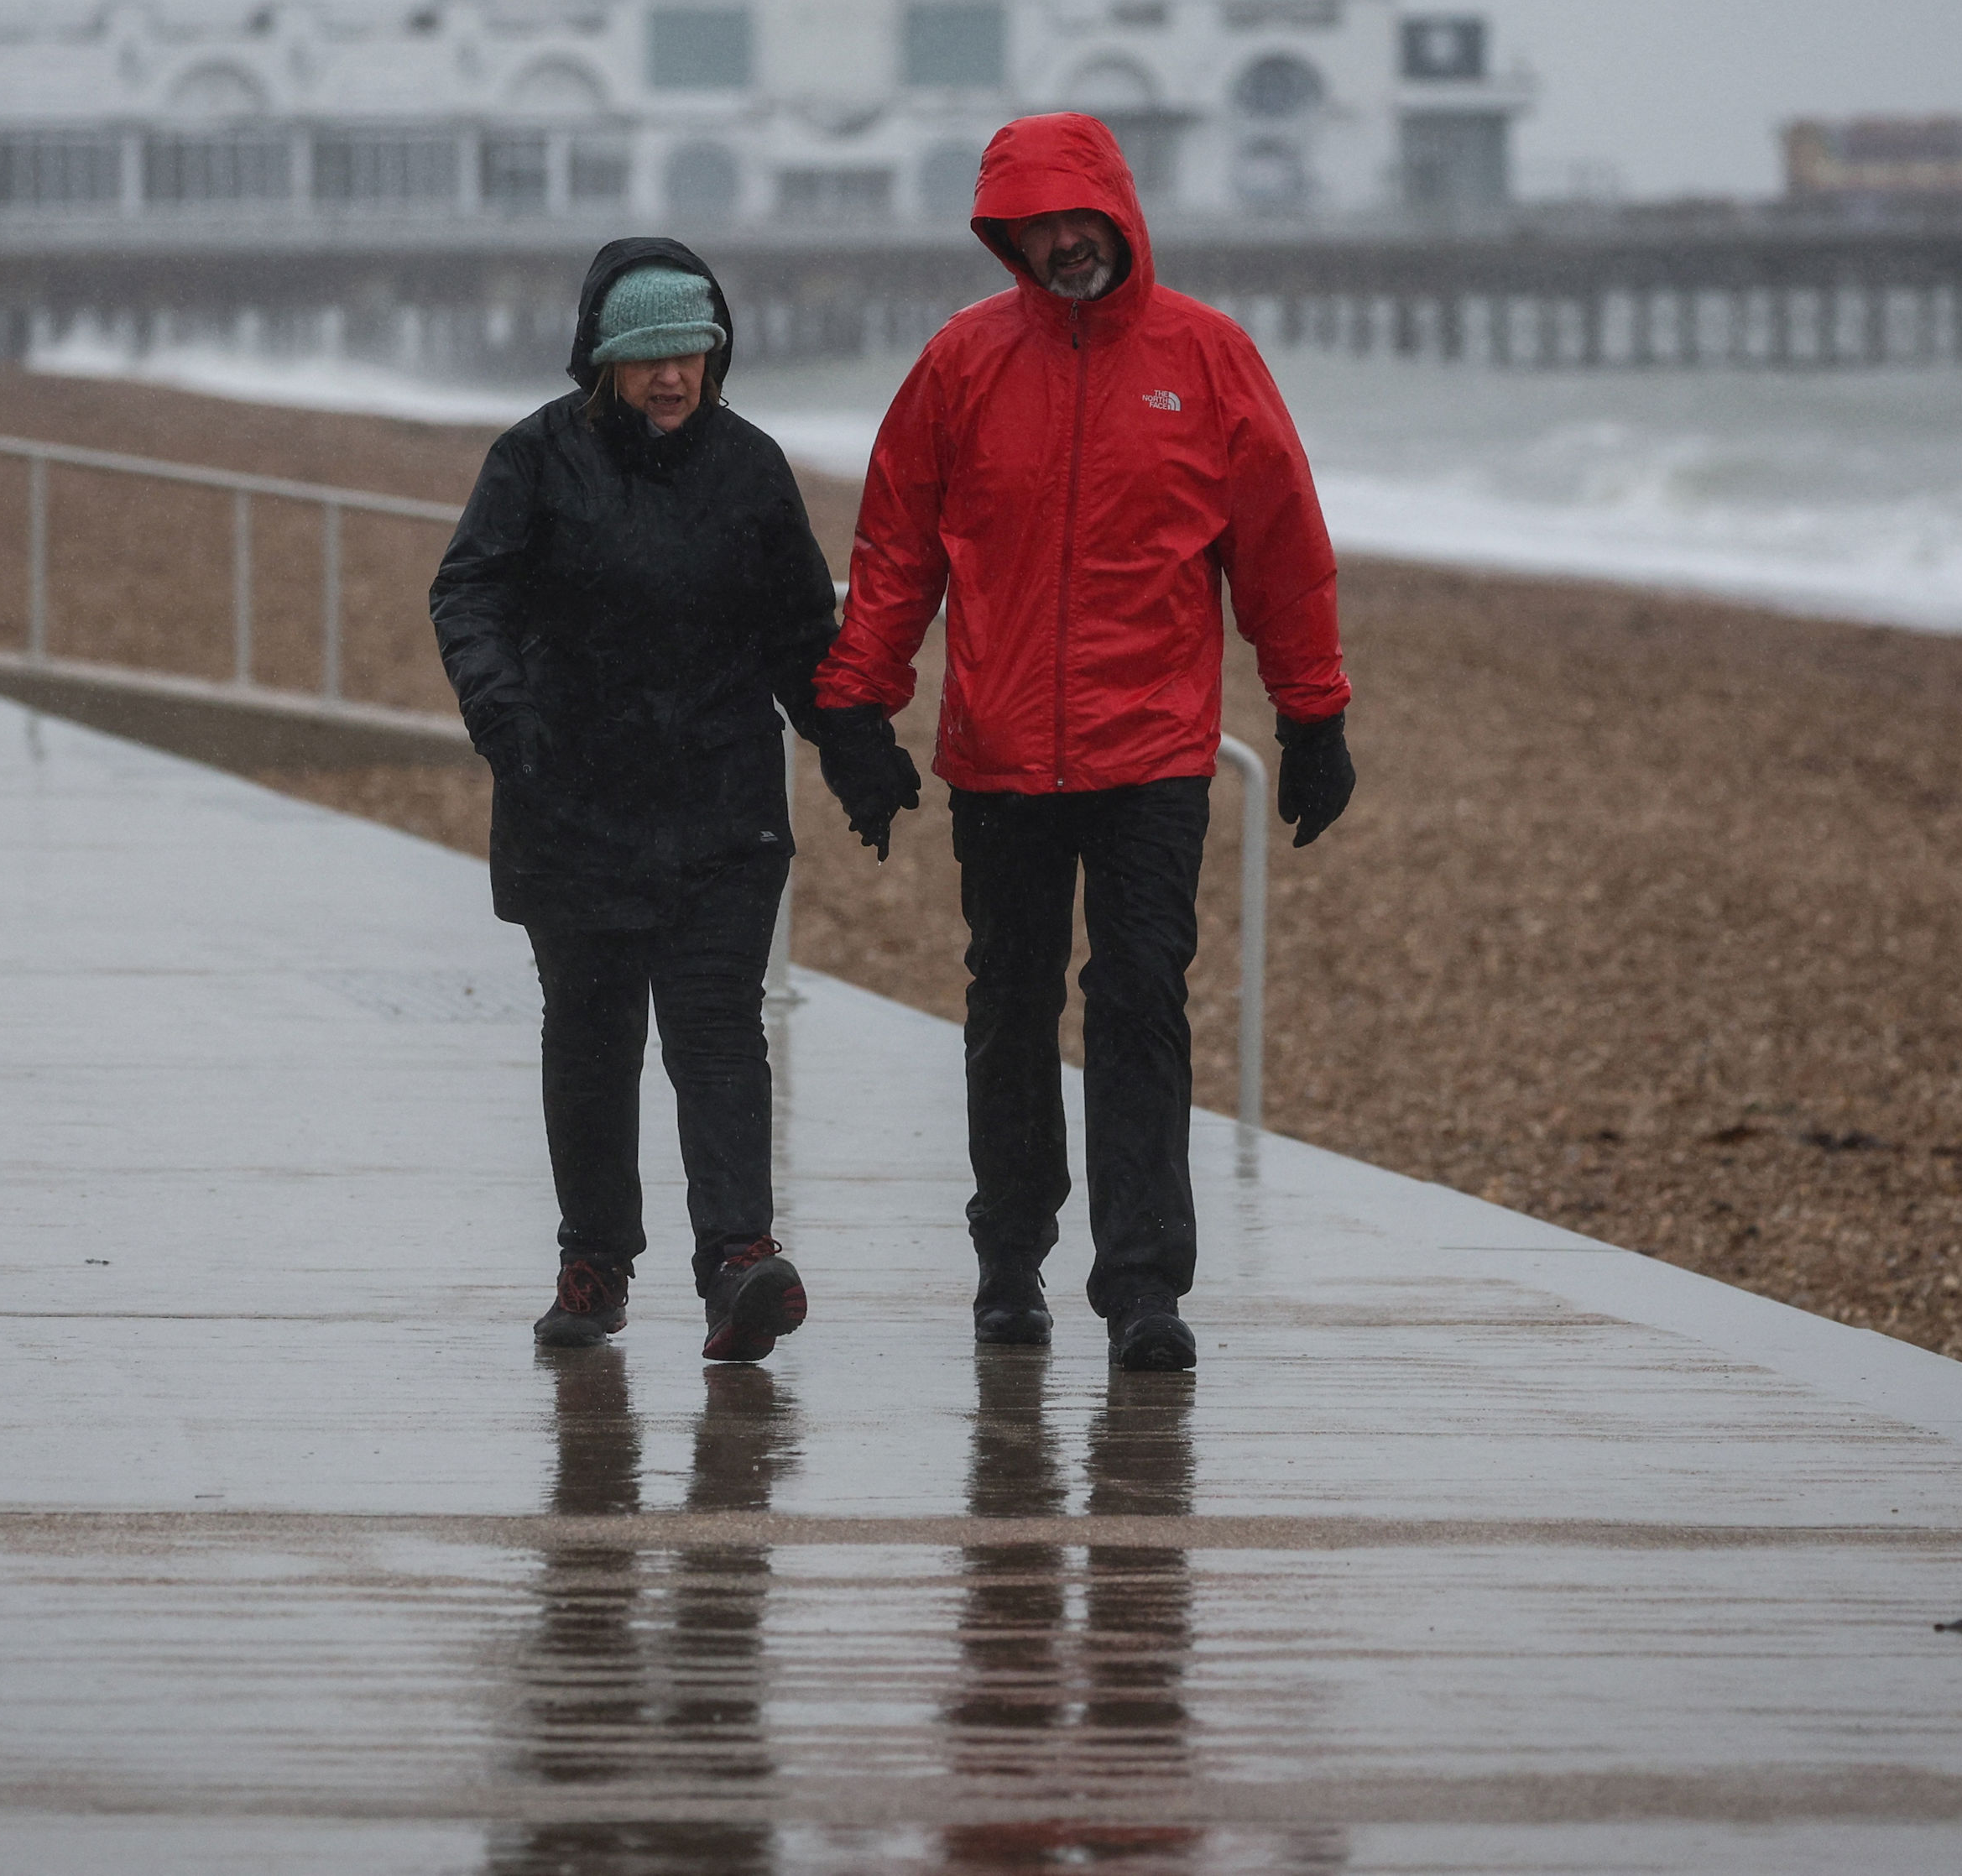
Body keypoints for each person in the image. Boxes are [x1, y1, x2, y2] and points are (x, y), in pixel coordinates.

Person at [811, 113, 1355, 1372]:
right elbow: (896, 550)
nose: (1059, 242)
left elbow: (1280, 550)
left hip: (1153, 751)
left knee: (1137, 1006)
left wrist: (1312, 714)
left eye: (1076, 219)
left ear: (1119, 215)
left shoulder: (1209, 359)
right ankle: (1008, 1262)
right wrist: (854, 707)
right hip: (998, 750)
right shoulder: (959, 362)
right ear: (1005, 235)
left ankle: (1144, 1286)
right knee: (1006, 1006)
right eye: (1032, 226)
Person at [431, 238, 919, 1363]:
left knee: (715, 1027)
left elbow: (803, 636)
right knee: (593, 1038)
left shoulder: (748, 468)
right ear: (604, 362)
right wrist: (504, 721)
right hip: (572, 796)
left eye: (689, 352)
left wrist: (852, 748)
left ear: (715, 352)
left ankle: (738, 1261)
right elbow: (469, 594)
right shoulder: (535, 460)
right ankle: (593, 1265)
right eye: (647, 356)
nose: (670, 375)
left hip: (718, 800)